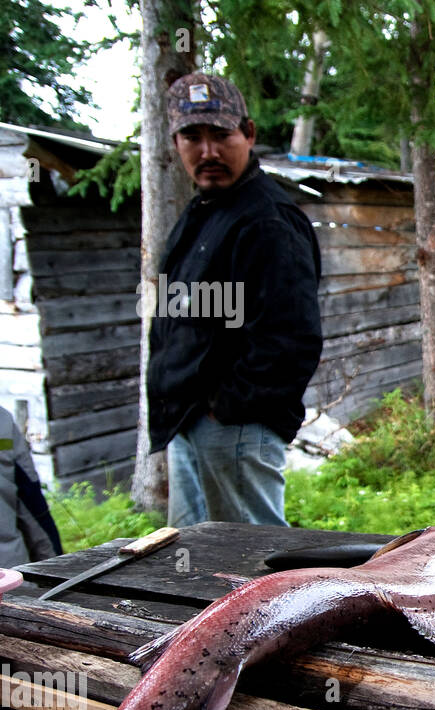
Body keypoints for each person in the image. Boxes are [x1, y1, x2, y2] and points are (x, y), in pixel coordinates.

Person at [148, 72, 323, 528]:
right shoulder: (204, 212)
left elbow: (291, 338)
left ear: (248, 134)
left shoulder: (268, 220)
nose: (207, 152)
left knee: (252, 561)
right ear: (175, 142)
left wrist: (225, 410)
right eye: (192, 136)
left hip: (234, 428)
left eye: (221, 135)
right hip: (191, 422)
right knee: (196, 558)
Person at [0, 379, 61, 568]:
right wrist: (54, 564)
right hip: (6, 572)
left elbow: (30, 499)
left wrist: (54, 565)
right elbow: (31, 504)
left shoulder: (1, 421)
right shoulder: (0, 419)